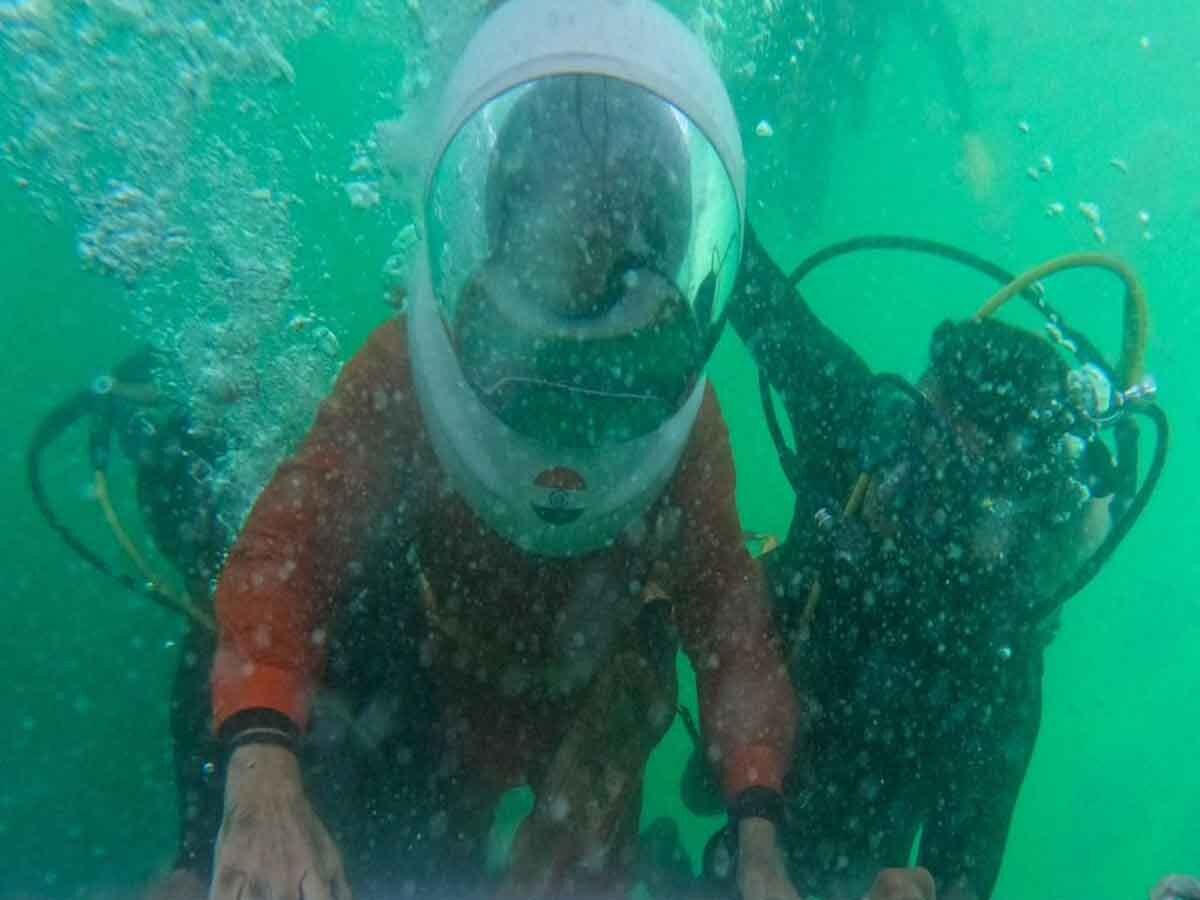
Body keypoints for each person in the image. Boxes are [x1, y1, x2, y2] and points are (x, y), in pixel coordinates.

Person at [183, 3, 810, 899]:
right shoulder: (408, 366)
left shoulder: (685, 431)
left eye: (617, 232)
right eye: (568, 225)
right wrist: (262, 771)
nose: (585, 302)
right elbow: (296, 545)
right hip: (444, 692)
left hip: (598, 712)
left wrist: (759, 835)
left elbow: (728, 623)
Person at [651, 226, 1161, 900]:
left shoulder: (995, 657)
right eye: (915, 429)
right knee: (703, 787)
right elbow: (749, 279)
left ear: (1006, 529)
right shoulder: (860, 426)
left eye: (941, 485)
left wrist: (920, 890)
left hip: (856, 836)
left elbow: (963, 869)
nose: (896, 483)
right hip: (769, 682)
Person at [711, 0, 995, 241]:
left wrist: (969, 134)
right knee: (722, 137)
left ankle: (747, 203)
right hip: (779, 64)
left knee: (803, 215)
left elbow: (941, 37)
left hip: (823, 91)